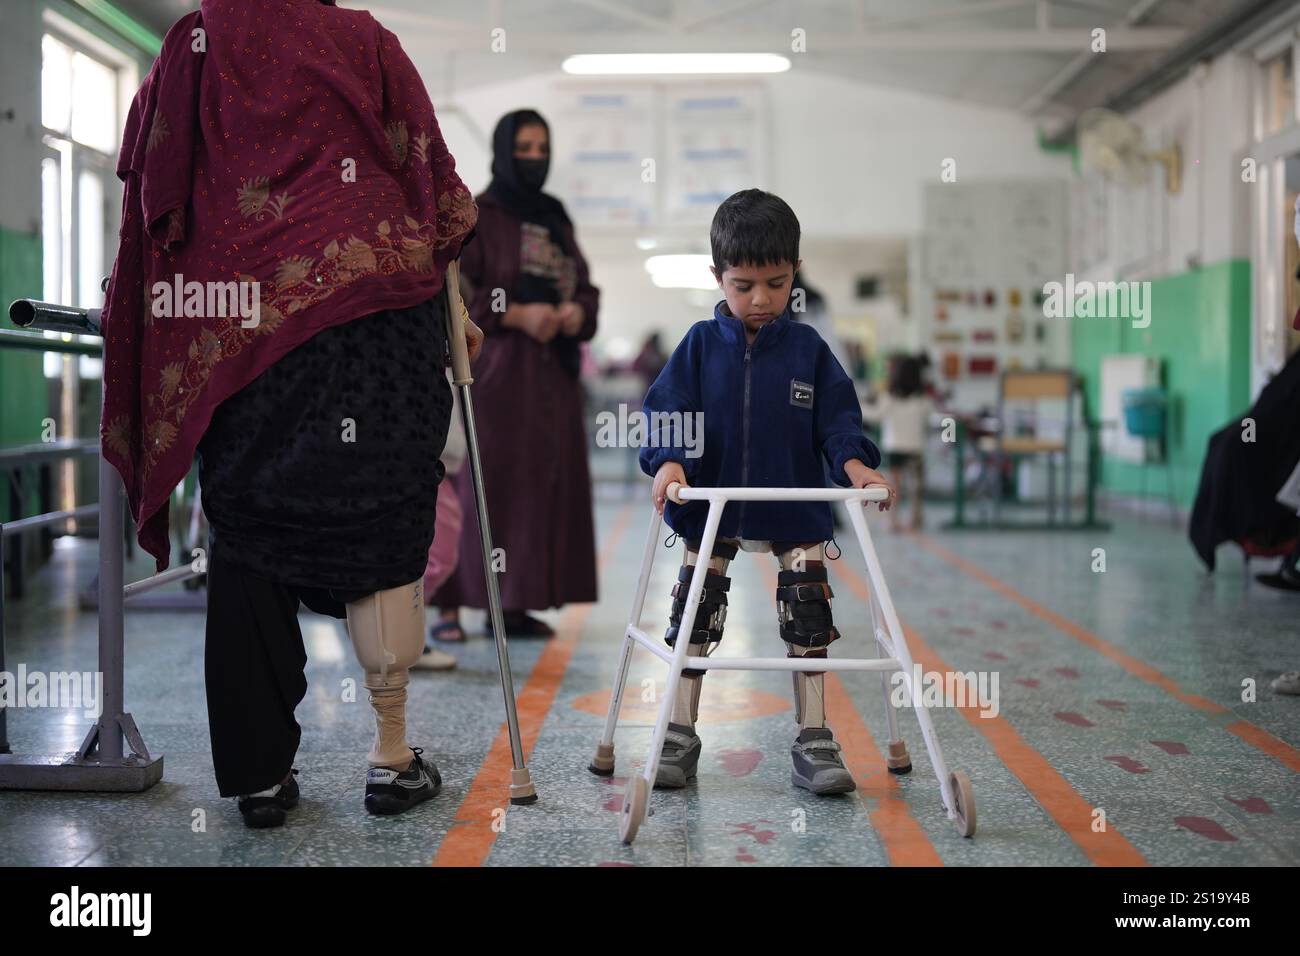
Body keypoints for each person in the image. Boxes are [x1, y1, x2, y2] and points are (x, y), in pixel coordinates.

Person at [101, 0, 480, 826]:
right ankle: (389, 759)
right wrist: (450, 313)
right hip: (380, 308)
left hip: (246, 324)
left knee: (249, 535)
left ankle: (259, 779)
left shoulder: (194, 39)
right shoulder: (365, 39)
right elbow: (437, 191)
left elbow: (153, 184)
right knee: (380, 517)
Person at [640, 189, 896, 795]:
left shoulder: (809, 351)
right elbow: (667, 412)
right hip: (714, 507)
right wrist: (669, 463)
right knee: (695, 607)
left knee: (808, 607)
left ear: (795, 275)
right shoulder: (699, 346)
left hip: (795, 507)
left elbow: (838, 425)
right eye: (743, 284)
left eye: (776, 284)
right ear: (717, 277)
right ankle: (679, 730)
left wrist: (858, 468)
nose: (760, 299)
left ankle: (814, 736)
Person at [432, 109, 600, 642]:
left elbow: (585, 286)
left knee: (539, 490)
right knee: (486, 486)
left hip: (552, 379)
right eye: (523, 148)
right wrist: (514, 314)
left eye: (540, 148)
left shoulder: (555, 215)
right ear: (504, 151)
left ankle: (517, 602)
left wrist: (575, 312)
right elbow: (457, 291)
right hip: (498, 378)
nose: (533, 159)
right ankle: (453, 604)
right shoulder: (481, 215)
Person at [863, 354, 932, 532]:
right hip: (915, 448)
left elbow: (875, 415)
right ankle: (914, 519)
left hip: (894, 447)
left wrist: (860, 405)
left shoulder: (889, 398)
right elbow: (932, 420)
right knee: (915, 487)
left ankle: (892, 521)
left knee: (895, 487)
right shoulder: (923, 400)